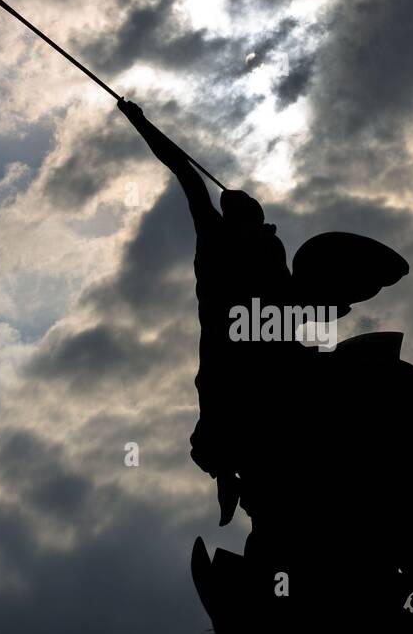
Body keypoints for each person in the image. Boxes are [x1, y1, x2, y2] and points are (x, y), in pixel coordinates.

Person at [116, 99, 292, 525]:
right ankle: (230, 474)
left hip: (250, 337)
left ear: (249, 217)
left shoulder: (257, 245)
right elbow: (182, 168)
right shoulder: (230, 236)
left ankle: (237, 473)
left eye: (240, 203)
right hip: (237, 336)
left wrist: (141, 122)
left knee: (230, 402)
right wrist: (141, 122)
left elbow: (288, 296)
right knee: (219, 403)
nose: (230, 202)